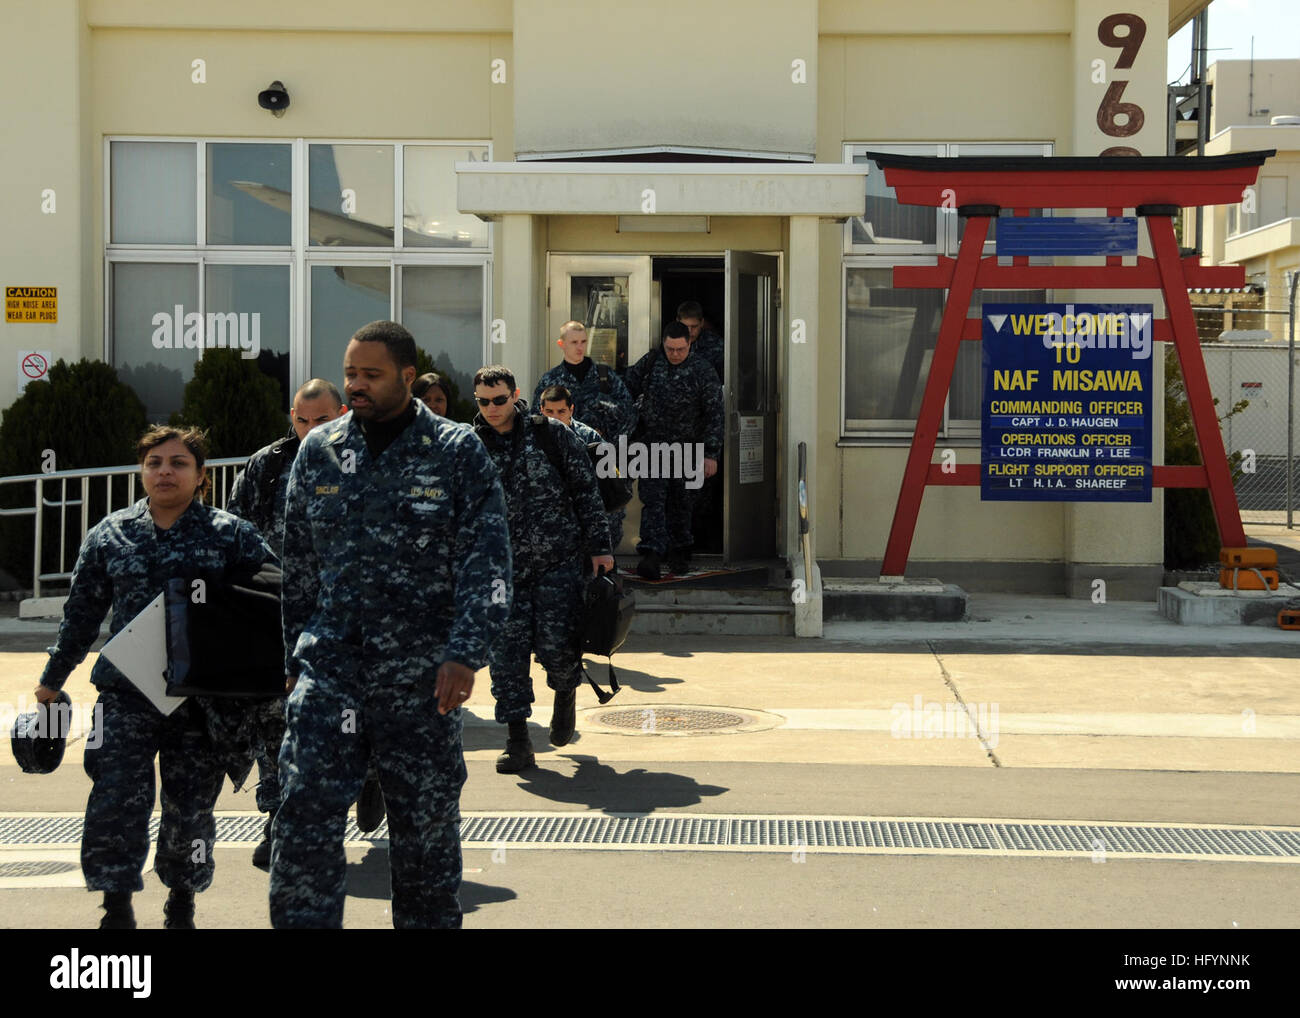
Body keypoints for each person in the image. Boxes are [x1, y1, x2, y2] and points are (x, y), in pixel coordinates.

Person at [271, 320, 511, 929]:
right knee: (301, 816)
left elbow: (487, 560)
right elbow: (297, 567)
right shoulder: (319, 449)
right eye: (350, 372)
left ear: (408, 376)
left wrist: (465, 652)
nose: (356, 385)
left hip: (421, 675)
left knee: (425, 831)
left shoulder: (456, 452)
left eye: (371, 375)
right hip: (330, 670)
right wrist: (295, 662)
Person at [34, 426, 273, 929]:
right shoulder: (110, 534)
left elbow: (275, 603)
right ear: (142, 471)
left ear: (201, 475)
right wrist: (51, 682)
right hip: (126, 695)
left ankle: (182, 903)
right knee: (115, 799)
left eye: (179, 462)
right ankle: (115, 906)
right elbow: (81, 615)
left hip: (203, 701)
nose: (165, 471)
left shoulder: (232, 533)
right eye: (155, 462)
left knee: (191, 808)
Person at [226, 378, 350, 868]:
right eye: (302, 420)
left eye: (322, 420)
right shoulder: (268, 466)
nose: (311, 430)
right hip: (276, 611)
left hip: (342, 613)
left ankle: (364, 783)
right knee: (272, 716)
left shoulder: (366, 459)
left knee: (342, 720)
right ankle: (276, 816)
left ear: (342, 413)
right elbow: (235, 530)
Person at [472, 366, 613, 772]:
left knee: (558, 647)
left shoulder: (550, 434)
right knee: (507, 656)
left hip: (558, 562)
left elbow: (586, 491)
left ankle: (565, 691)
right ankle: (518, 739)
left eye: (500, 399)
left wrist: (600, 548)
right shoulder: (468, 445)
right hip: (500, 572)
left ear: (515, 395)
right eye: (484, 401)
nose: (493, 408)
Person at [625, 321, 723, 579]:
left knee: (683, 503)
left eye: (680, 349)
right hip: (653, 447)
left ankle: (680, 551)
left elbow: (715, 413)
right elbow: (626, 390)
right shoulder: (651, 363)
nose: (675, 354)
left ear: (689, 344)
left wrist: (711, 453)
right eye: (670, 349)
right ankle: (652, 554)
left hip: (689, 449)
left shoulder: (702, 370)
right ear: (664, 344)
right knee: (653, 501)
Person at [539, 383, 627, 555]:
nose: (555, 417)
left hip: (583, 513)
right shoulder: (531, 437)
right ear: (541, 410)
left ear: (571, 410)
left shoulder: (589, 437)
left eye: (561, 411)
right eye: (550, 412)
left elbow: (611, 488)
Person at [531, 321, 636, 442]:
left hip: (600, 451)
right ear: (562, 344)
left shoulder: (604, 375)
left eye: (583, 342)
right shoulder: (550, 380)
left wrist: (610, 441)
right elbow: (537, 419)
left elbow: (629, 413)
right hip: (565, 451)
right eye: (574, 342)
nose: (580, 347)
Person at [676, 300, 724, 381]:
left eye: (694, 326)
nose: (689, 331)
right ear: (677, 321)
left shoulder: (716, 345)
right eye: (685, 326)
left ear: (702, 323)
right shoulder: (670, 343)